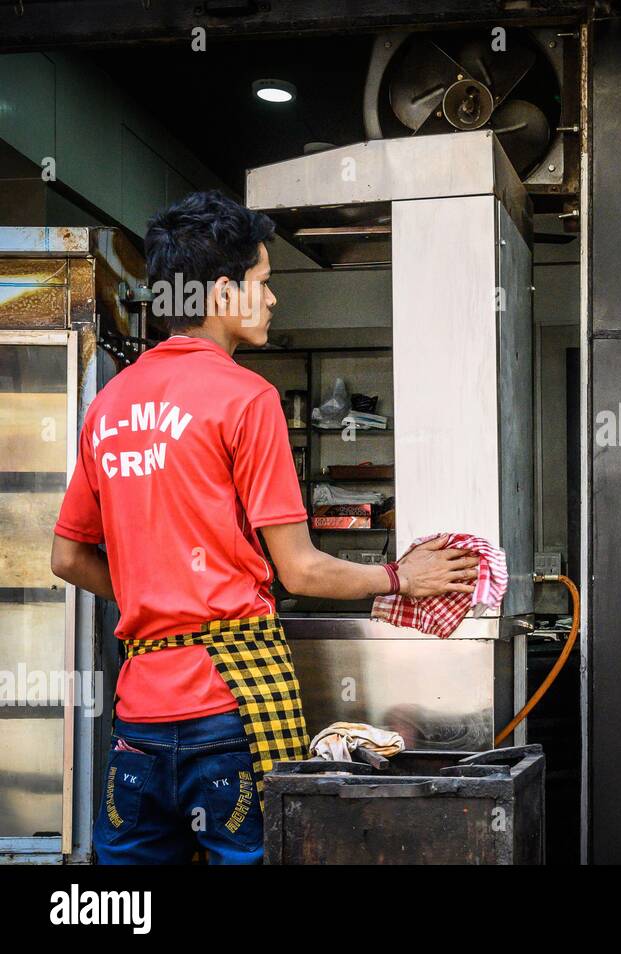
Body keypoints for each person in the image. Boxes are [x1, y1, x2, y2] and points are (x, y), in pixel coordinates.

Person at [50, 191, 478, 864]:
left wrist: (146, 595)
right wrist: (402, 575)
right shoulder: (246, 399)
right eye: (263, 282)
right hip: (225, 711)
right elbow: (300, 569)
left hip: (137, 716)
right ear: (223, 292)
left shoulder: (110, 403)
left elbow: (68, 557)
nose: (272, 299)